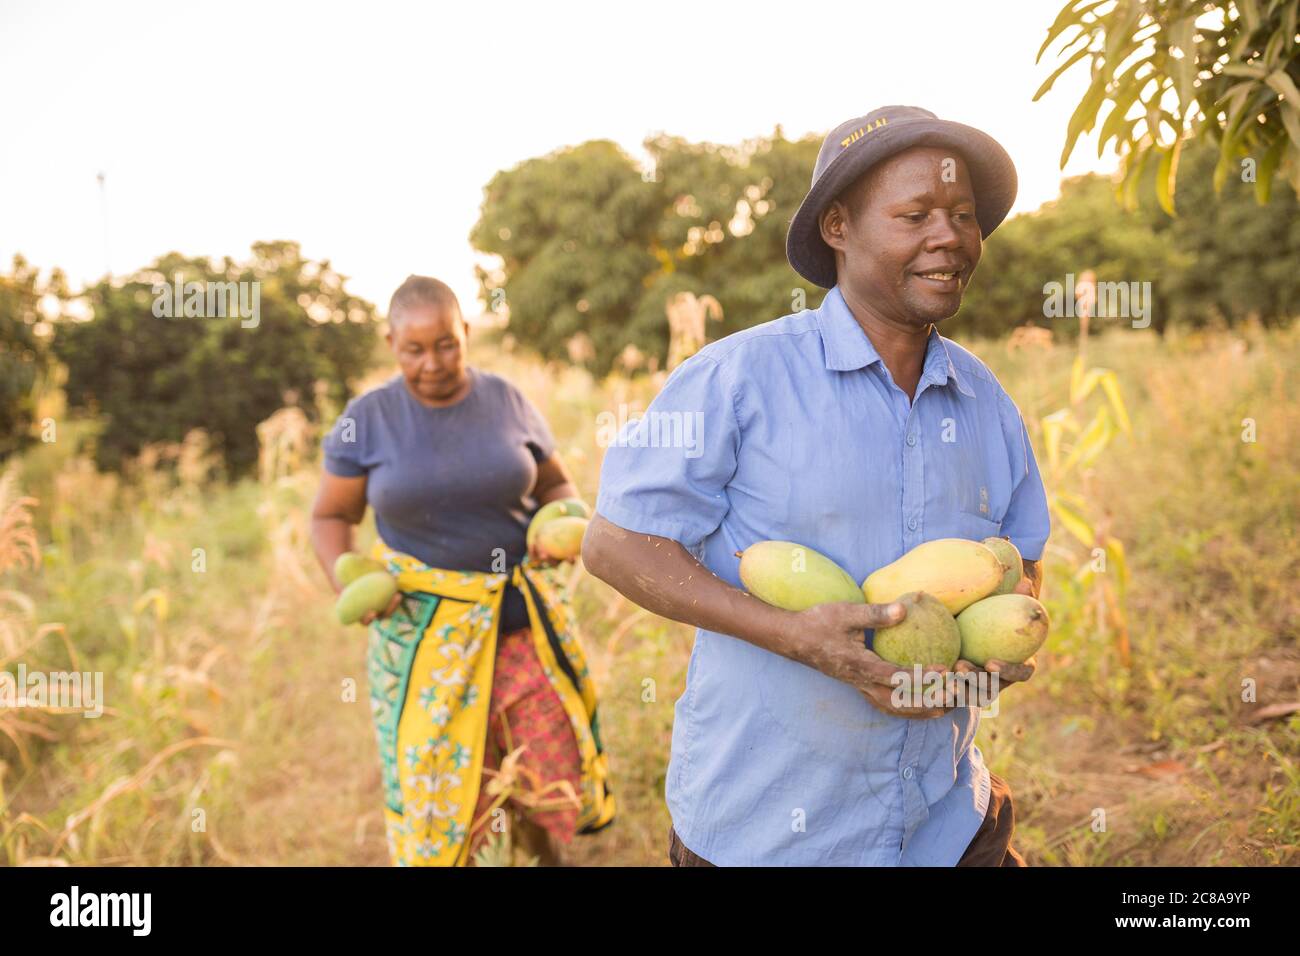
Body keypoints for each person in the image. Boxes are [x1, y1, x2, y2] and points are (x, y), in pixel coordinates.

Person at [583, 106, 1049, 866]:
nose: (950, 237)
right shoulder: (737, 379)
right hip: (766, 832)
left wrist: (985, 663)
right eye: (915, 214)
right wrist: (792, 636)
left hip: (947, 826)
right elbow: (614, 544)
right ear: (838, 227)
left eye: (963, 215)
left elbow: (1020, 562)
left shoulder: (986, 400)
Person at [311, 275, 615, 866]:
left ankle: (543, 857)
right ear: (391, 342)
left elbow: (553, 482)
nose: (432, 363)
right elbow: (329, 515)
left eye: (446, 344)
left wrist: (562, 523)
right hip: (424, 634)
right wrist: (347, 584)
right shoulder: (367, 420)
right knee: (450, 780)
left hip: (521, 623)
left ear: (466, 333)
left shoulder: (506, 400)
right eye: (414, 349)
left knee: (538, 765)